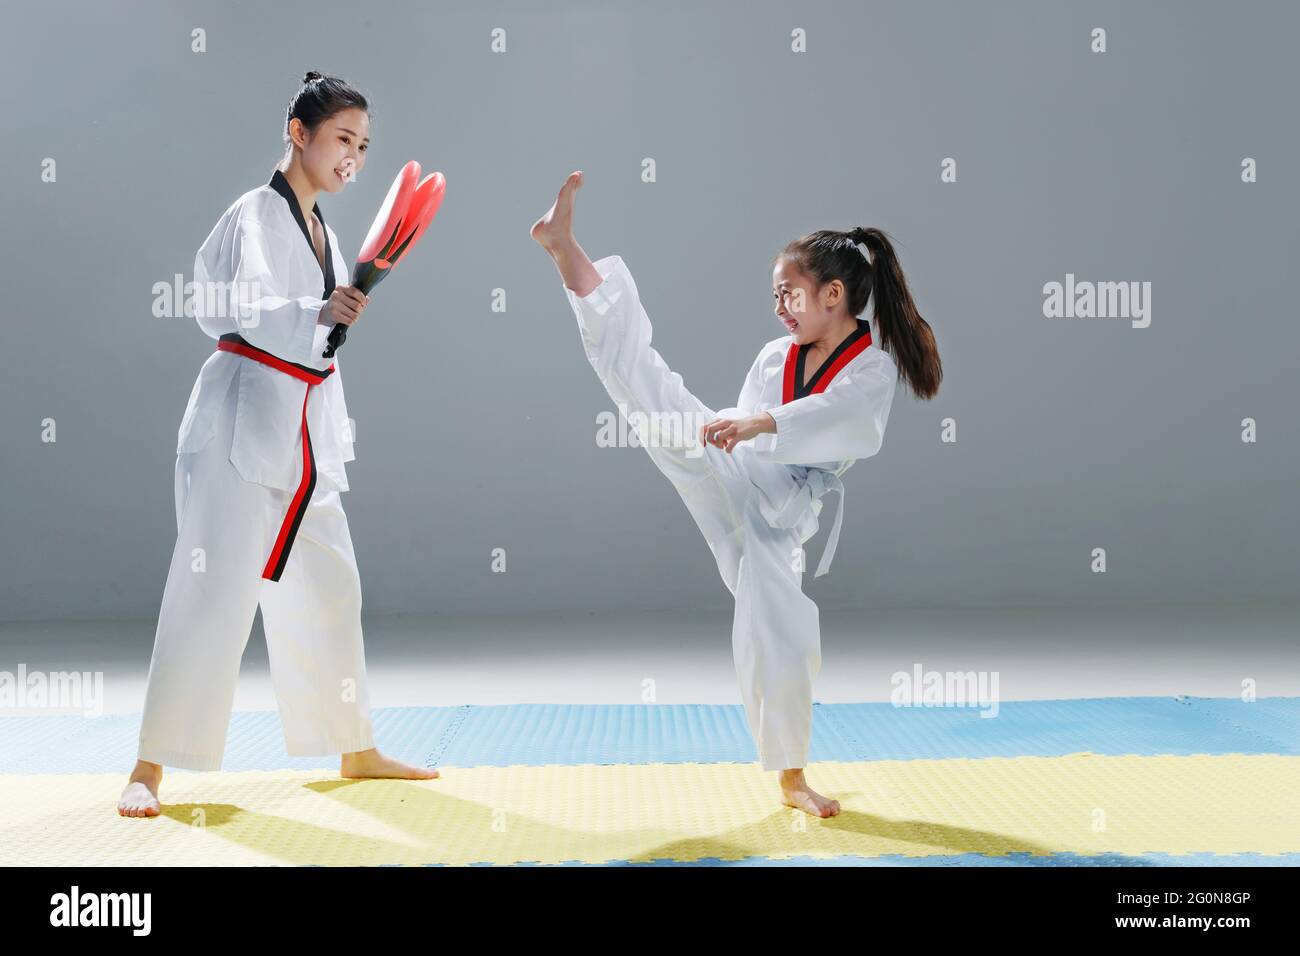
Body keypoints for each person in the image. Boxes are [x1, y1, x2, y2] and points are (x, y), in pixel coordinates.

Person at [531, 171, 941, 816]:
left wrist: (763, 422)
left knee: (779, 627)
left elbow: (848, 422)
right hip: (735, 469)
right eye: (776, 296)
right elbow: (745, 428)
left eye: (790, 295)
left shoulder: (872, 365)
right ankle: (568, 256)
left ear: (833, 294)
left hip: (781, 513)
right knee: (653, 393)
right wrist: (727, 429)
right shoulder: (776, 354)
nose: (780, 309)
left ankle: (791, 777)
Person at [119, 72, 437, 818]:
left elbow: (311, 335)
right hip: (238, 421)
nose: (353, 156)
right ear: (298, 132)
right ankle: (148, 767)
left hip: (300, 429)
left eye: (363, 146)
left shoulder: (320, 227)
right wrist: (316, 308)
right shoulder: (258, 213)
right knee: (210, 591)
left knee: (330, 585)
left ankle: (353, 745)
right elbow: (237, 310)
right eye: (341, 139)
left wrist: (328, 313)